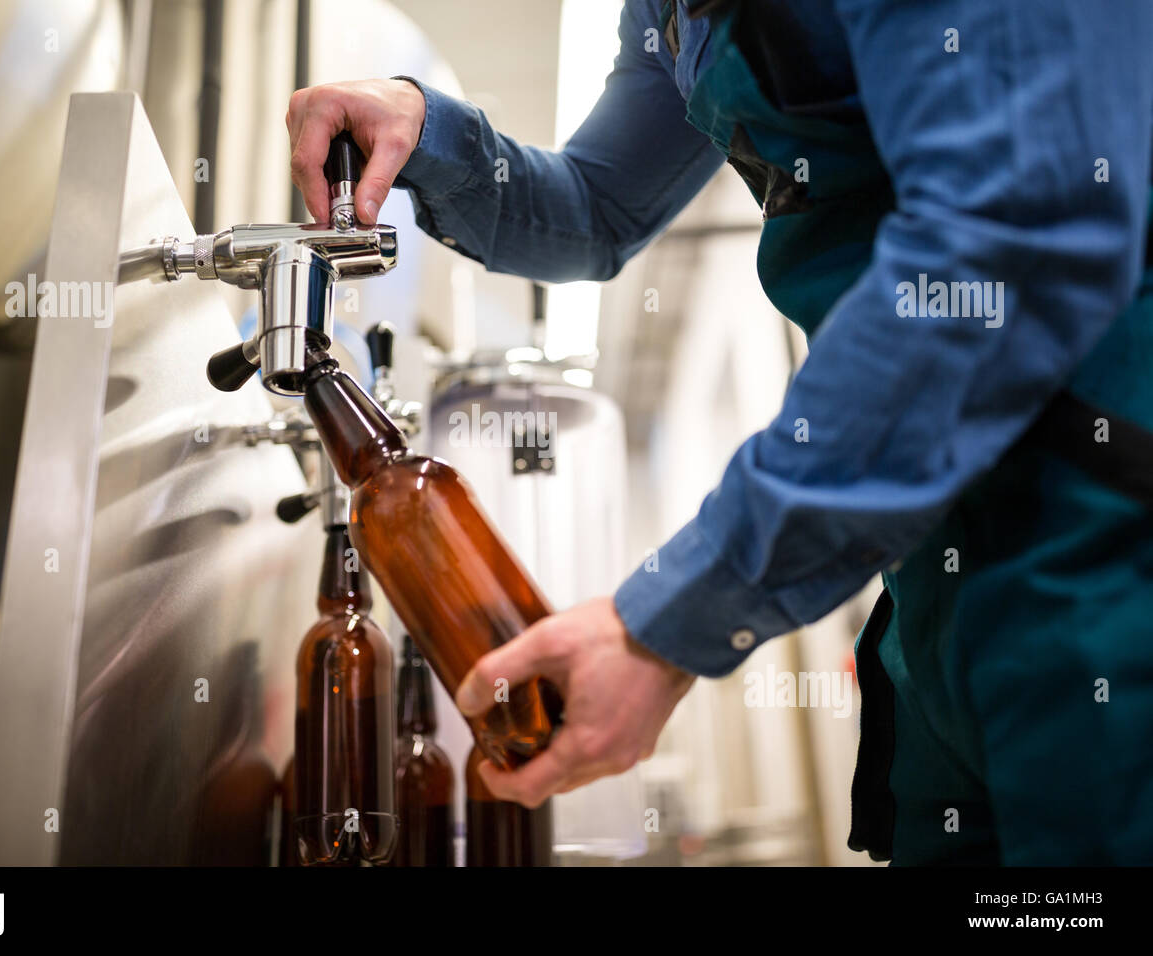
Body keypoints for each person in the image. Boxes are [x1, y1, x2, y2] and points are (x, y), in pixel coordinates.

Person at [286, 0, 1153, 864]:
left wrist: (670, 621)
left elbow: (1010, 238)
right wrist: (426, 128)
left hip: (1102, 527)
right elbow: (596, 207)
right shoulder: (666, 13)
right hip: (934, 576)